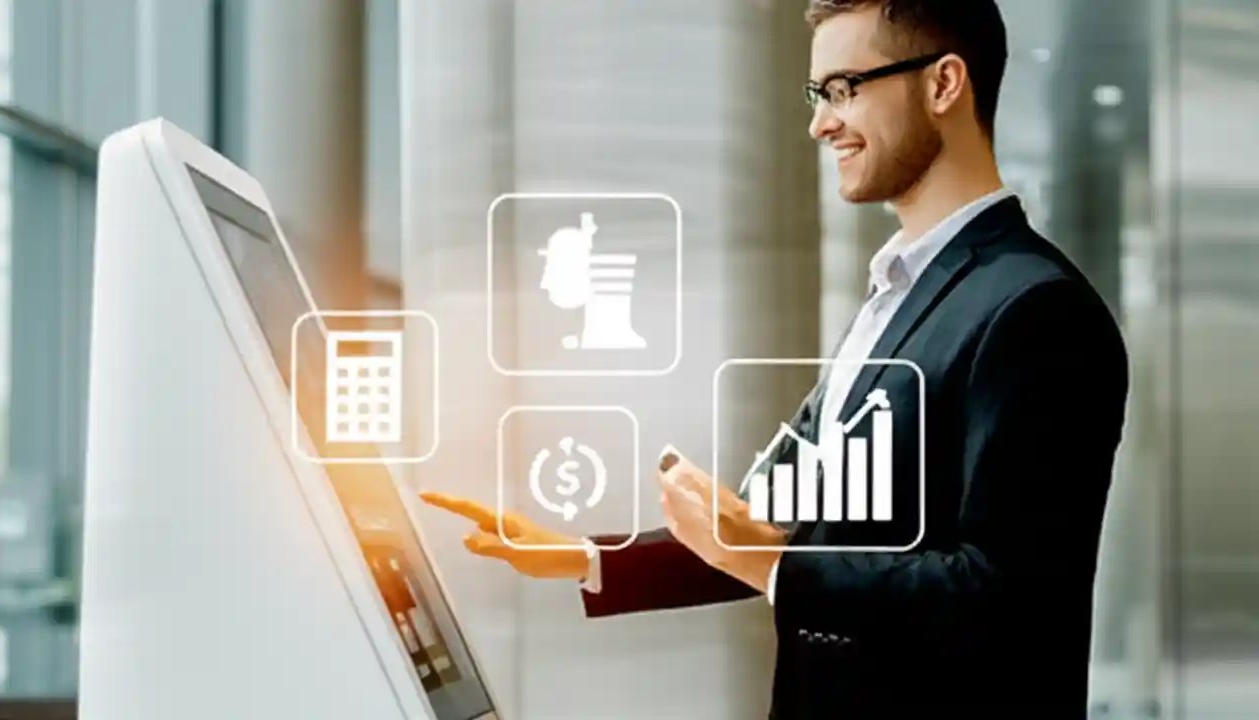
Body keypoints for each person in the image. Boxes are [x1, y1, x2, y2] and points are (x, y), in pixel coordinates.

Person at [422, 0, 1130, 717]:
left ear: (944, 84)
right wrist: (586, 554)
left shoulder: (1036, 310)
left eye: (845, 88)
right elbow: (785, 524)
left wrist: (771, 566)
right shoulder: (898, 298)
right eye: (818, 94)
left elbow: (1004, 594)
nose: (821, 122)